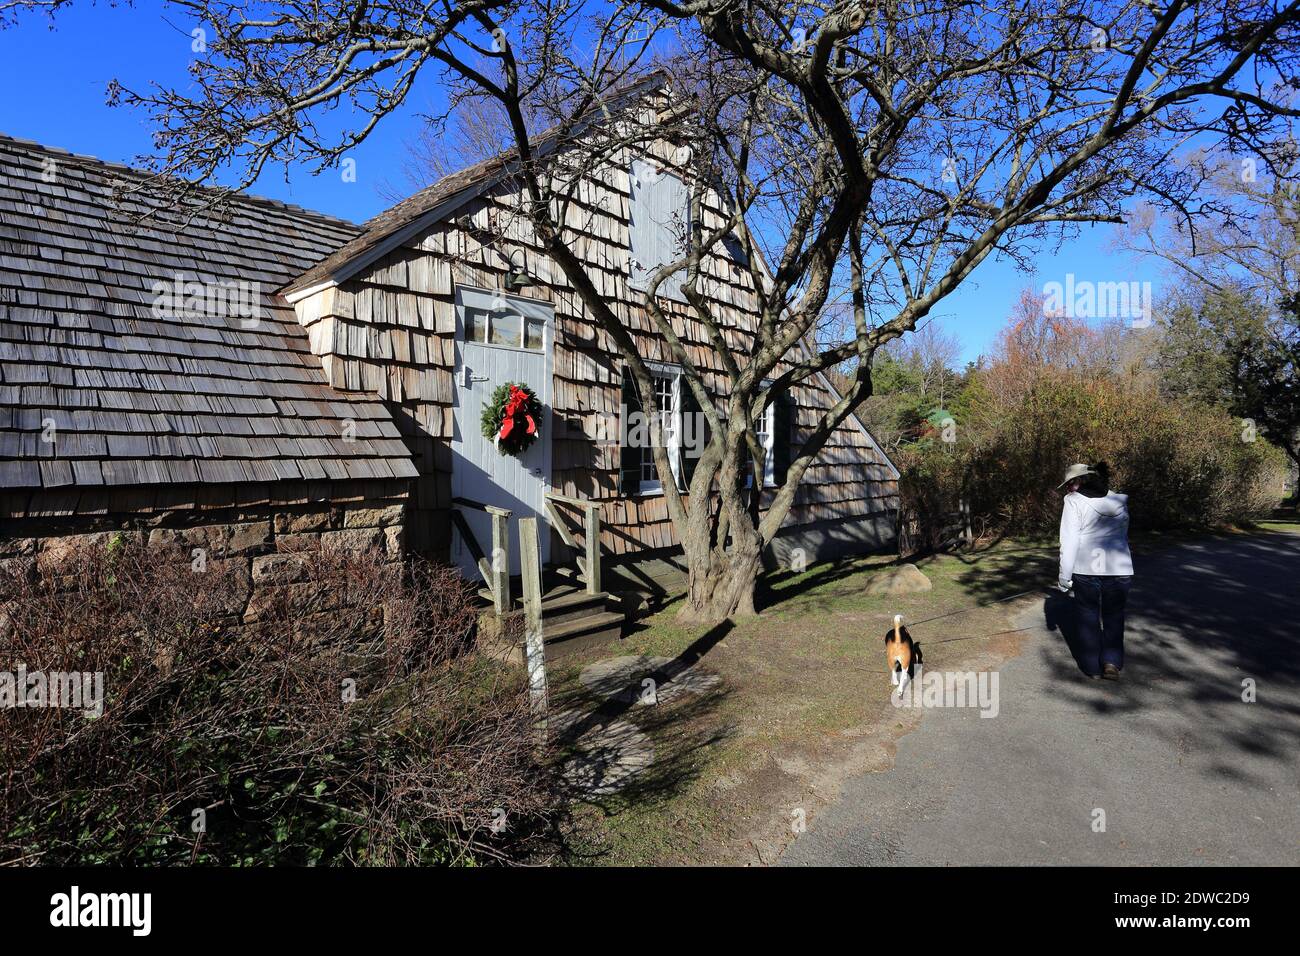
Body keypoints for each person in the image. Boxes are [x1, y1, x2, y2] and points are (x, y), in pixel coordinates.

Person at [1057, 462, 1134, 680]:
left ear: (1080, 481)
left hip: (1086, 568)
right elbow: (1123, 535)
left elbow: (1069, 541)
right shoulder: (1118, 500)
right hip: (1119, 568)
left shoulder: (1073, 502)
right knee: (1114, 616)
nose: (1069, 489)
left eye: (1071, 483)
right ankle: (1111, 662)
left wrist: (1064, 576)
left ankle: (1091, 667)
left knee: (1088, 616)